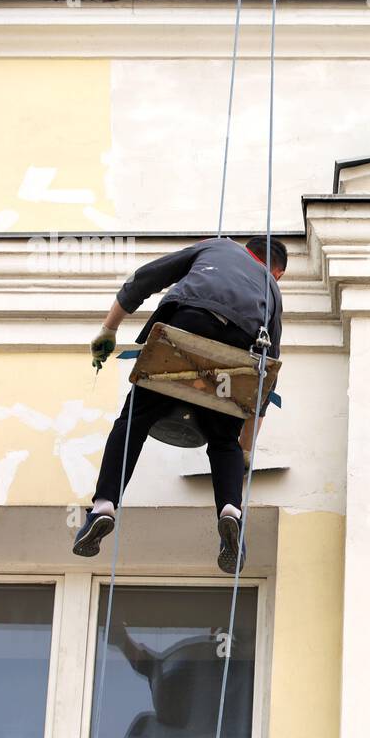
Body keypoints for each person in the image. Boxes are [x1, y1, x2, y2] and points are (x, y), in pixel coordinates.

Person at [72, 236, 285, 574]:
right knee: (222, 441)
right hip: (238, 348)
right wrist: (245, 451)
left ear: (248, 250)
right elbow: (265, 380)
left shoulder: (217, 247)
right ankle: (231, 511)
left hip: (186, 323)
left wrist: (108, 329)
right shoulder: (272, 290)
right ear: (277, 272)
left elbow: (145, 278)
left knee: (134, 421)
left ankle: (103, 507)